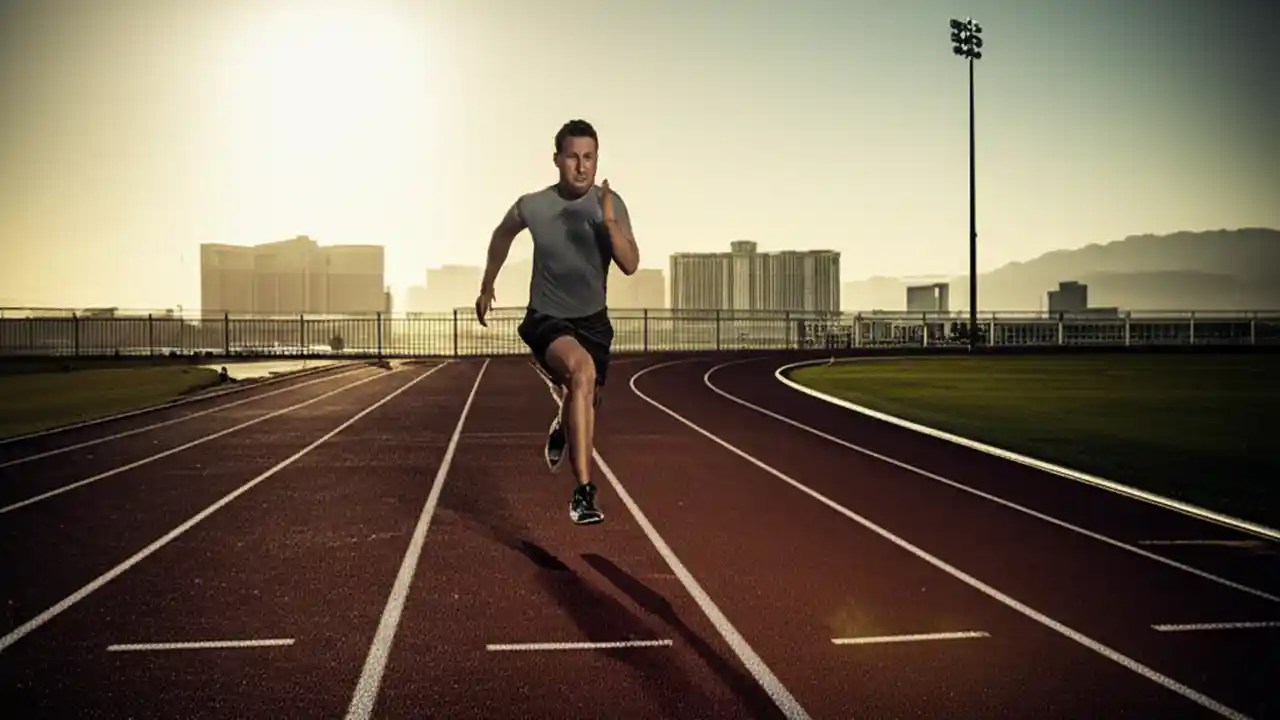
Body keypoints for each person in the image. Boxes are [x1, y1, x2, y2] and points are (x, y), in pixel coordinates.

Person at [475, 119, 639, 525]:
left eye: (589, 158)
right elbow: (501, 234)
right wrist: (486, 285)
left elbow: (631, 264)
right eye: (572, 158)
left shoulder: (611, 203)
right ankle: (583, 493)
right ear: (557, 160)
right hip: (547, 318)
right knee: (580, 373)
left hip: (594, 322)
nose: (581, 167)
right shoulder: (534, 204)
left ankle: (563, 425)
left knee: (586, 397)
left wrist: (610, 223)